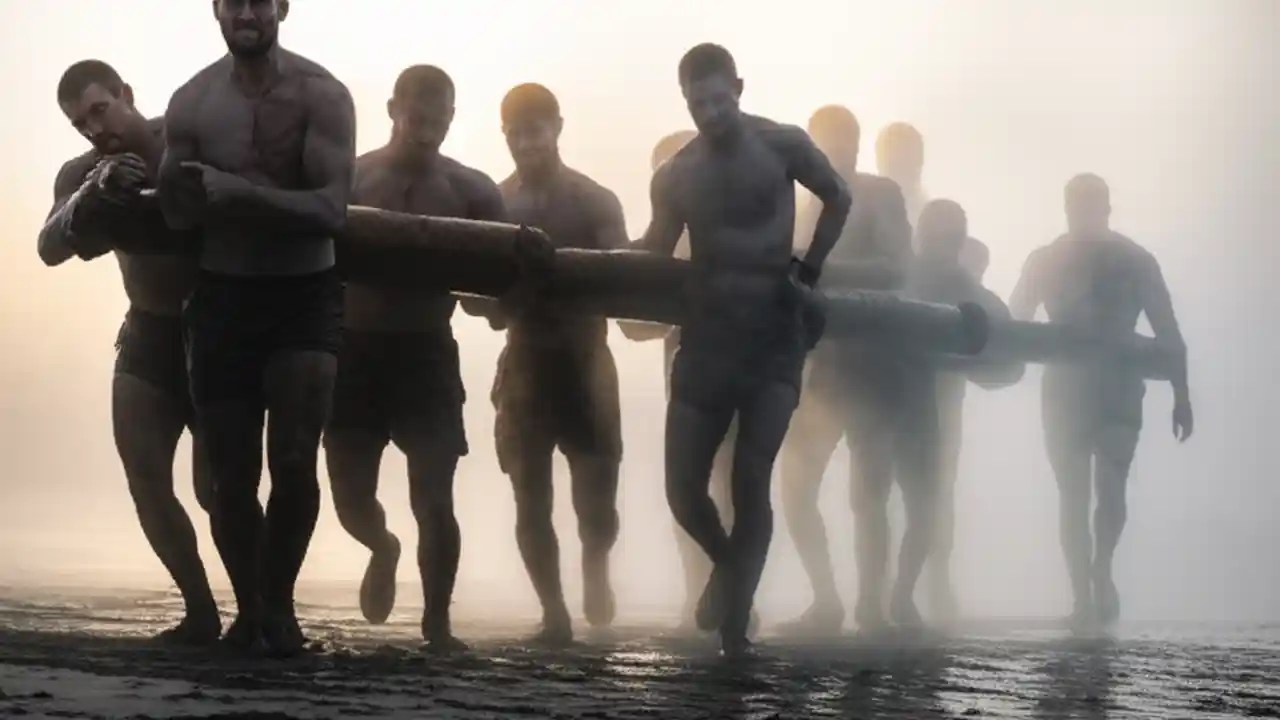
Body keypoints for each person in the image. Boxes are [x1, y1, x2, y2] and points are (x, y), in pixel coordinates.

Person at [634, 45, 851, 657]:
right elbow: (654, 250)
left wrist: (809, 270)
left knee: (751, 480)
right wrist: (593, 256)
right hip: (706, 341)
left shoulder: (781, 143)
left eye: (719, 99)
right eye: (698, 104)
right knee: (683, 490)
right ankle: (730, 574)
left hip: (773, 339)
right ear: (685, 102)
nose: (710, 113)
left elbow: (837, 195)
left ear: (739, 87)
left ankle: (734, 631)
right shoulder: (675, 174)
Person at [157, 0, 356, 656]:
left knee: (295, 460)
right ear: (216, 8)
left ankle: (280, 608)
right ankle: (252, 612)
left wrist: (241, 195)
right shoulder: (191, 102)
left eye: (260, 0)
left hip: (304, 293)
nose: (248, 11)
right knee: (229, 477)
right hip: (223, 295)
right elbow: (179, 214)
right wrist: (154, 187)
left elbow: (330, 208)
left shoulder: (322, 94)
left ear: (282, 8)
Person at [323, 65, 505, 653]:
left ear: (452, 118)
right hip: (353, 350)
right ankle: (382, 547)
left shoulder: (471, 190)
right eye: (415, 117)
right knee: (351, 498)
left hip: (426, 352)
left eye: (437, 119)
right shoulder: (350, 178)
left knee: (434, 497)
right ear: (392, 108)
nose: (425, 130)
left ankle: (437, 623)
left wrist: (497, 293)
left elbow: (493, 298)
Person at [38, 59, 218, 645]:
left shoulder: (185, 138)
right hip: (146, 331)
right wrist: (94, 191)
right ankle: (199, 610)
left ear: (127, 96)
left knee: (218, 491)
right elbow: (49, 244)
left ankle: (261, 610)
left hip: (219, 332)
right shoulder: (83, 170)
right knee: (145, 477)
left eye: (100, 110)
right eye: (80, 123)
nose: (94, 129)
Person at [1009, 173, 1193, 630]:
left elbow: (1168, 330)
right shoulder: (1046, 260)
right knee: (1073, 495)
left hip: (1116, 386)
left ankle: (1101, 570)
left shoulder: (1134, 260)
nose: (1086, 215)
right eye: (1079, 207)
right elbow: (1015, 321)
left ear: (1106, 210)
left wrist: (1183, 395)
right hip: (1070, 389)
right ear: (1068, 209)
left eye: (1092, 207)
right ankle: (1081, 592)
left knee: (1108, 487)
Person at [489, 82, 628, 646]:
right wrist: (520, 287)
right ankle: (554, 612)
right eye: (517, 134)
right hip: (524, 364)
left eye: (536, 131)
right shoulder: (496, 204)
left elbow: (623, 281)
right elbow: (485, 310)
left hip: (587, 362)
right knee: (530, 497)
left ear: (558, 128)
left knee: (596, 507)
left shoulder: (594, 200)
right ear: (505, 136)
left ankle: (595, 562)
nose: (528, 144)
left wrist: (561, 274)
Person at [779, 105, 924, 636]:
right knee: (796, 488)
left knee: (870, 492)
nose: (838, 154)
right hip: (817, 366)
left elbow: (897, 267)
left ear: (858, 146)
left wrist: (816, 267)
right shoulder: (799, 201)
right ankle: (827, 600)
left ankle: (869, 603)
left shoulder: (880, 194)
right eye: (828, 146)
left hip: (871, 362)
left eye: (846, 145)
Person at [907, 199, 1021, 625]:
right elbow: (1010, 363)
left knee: (930, 499)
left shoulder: (970, 292)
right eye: (938, 237)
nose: (941, 246)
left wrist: (950, 363)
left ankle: (920, 589)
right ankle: (897, 593)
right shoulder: (906, 278)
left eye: (948, 238)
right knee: (889, 495)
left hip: (935, 408)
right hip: (892, 403)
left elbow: (1011, 364)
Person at [875, 121, 989, 279]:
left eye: (908, 161)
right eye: (896, 163)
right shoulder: (860, 211)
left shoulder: (936, 219)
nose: (903, 170)